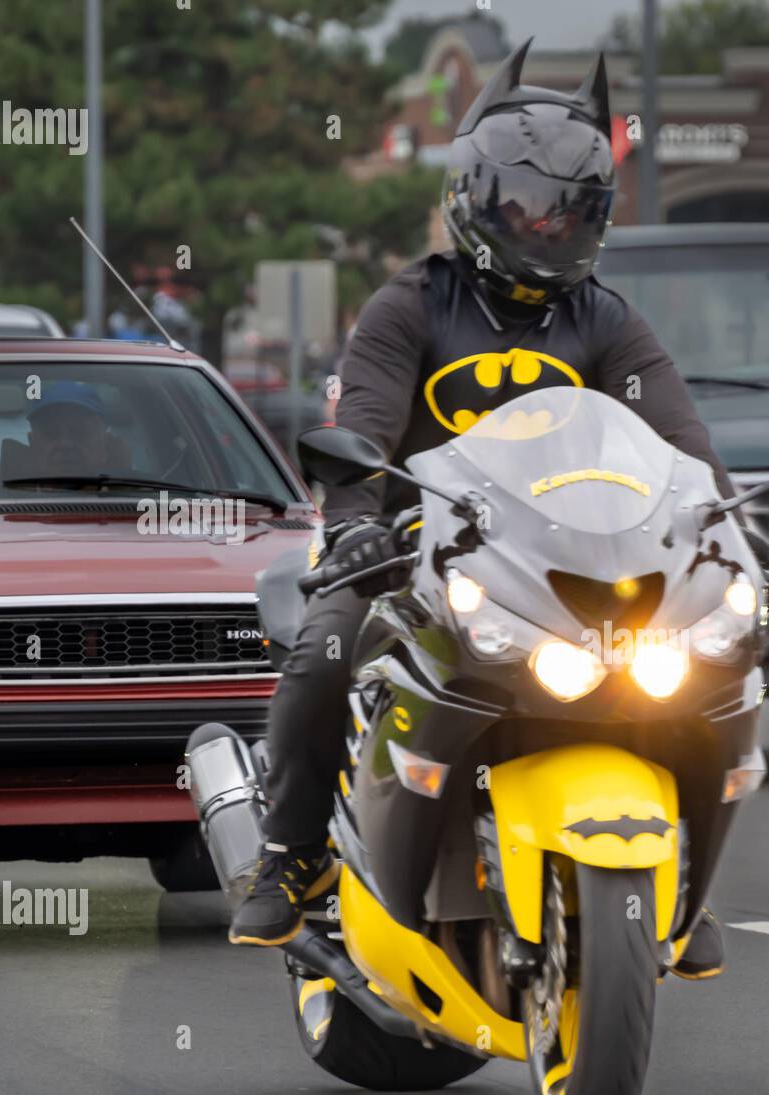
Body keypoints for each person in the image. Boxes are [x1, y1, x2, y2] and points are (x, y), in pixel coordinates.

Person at [229, 40, 729, 980]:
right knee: (328, 642)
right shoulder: (408, 307)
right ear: (475, 199)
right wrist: (353, 522)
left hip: (567, 556)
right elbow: (365, 428)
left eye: (572, 210)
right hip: (420, 550)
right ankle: (290, 851)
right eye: (528, 207)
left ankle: (687, 874)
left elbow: (683, 444)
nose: (548, 228)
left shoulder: (607, 322)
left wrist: (719, 522)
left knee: (699, 668)